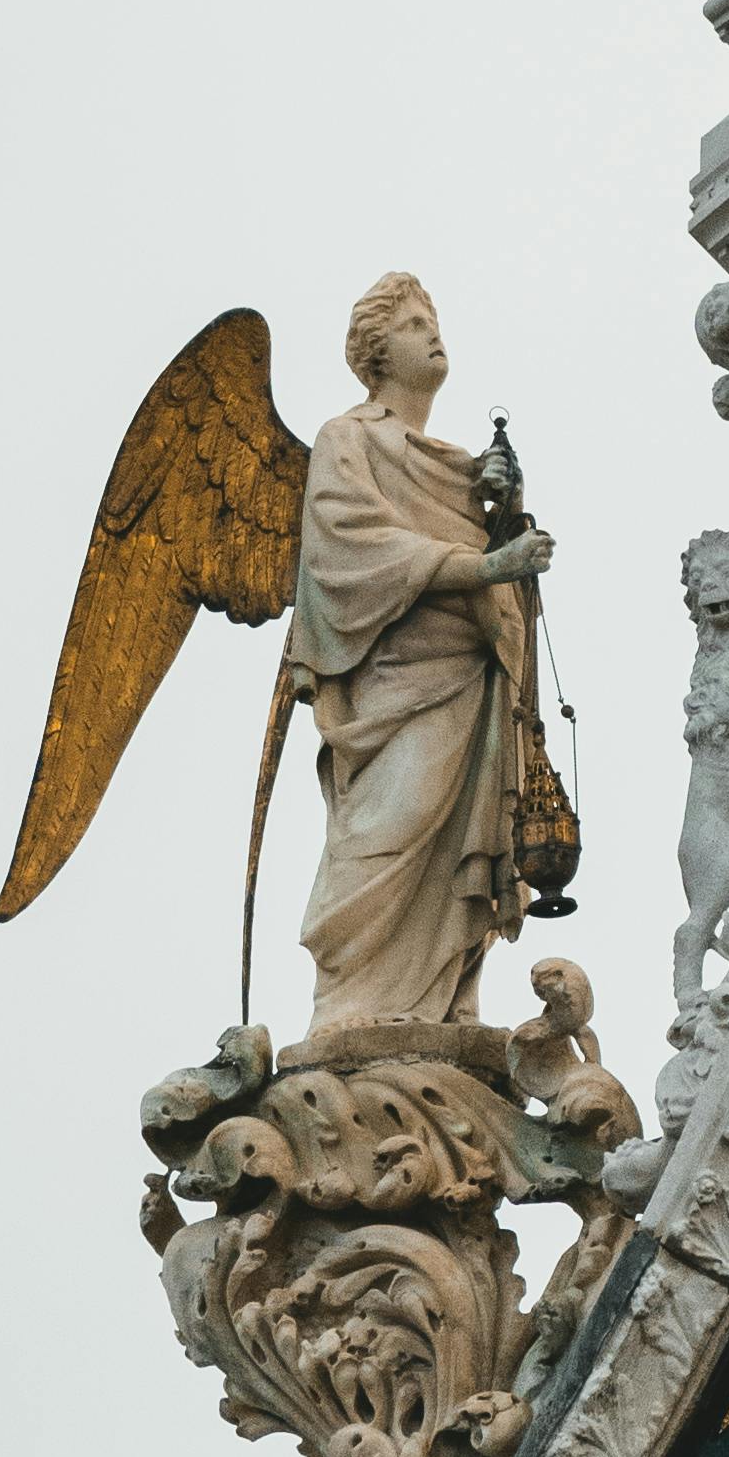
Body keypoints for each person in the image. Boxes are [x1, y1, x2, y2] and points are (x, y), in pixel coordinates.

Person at [286, 274, 554, 1037]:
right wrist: (485, 566)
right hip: (395, 681)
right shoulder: (348, 439)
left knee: (459, 847)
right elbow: (349, 545)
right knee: (386, 829)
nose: (431, 333)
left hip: (472, 674)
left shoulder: (458, 462)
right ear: (375, 353)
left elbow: (500, 564)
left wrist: (502, 510)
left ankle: (441, 1009)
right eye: (410, 324)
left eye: (431, 320)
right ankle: (352, 1009)